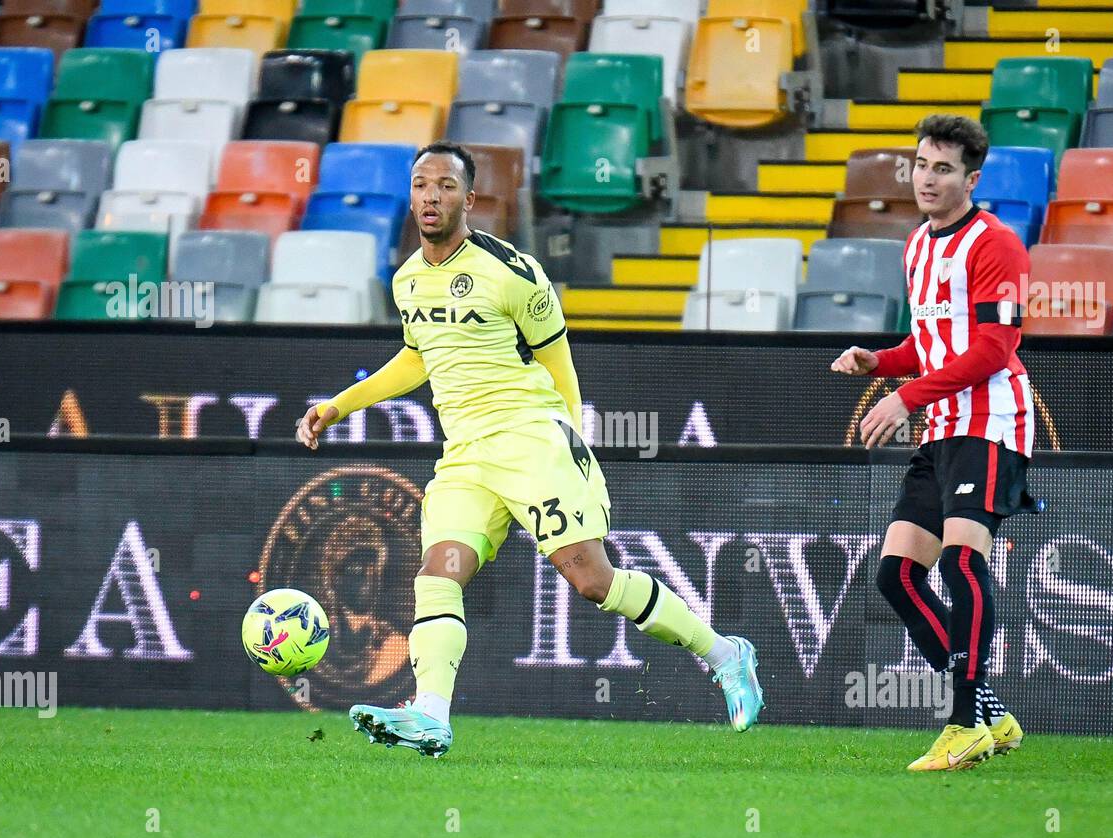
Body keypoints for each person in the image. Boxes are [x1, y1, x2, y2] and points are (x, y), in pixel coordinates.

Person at [296, 142, 763, 757]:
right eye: (420, 185)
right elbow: (419, 357)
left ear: (470, 197)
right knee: (439, 573)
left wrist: (569, 434)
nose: (430, 197)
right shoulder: (407, 279)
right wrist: (340, 404)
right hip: (464, 454)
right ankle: (432, 713)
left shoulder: (512, 271)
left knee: (592, 581)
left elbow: (558, 360)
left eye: (444, 185)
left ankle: (726, 655)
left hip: (530, 437)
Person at [831, 115, 1036, 771]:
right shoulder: (917, 245)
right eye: (922, 163)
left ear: (972, 179)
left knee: (962, 563)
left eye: (943, 168)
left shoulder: (997, 244)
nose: (927, 177)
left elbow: (993, 348)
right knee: (897, 575)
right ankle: (990, 714)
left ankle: (962, 722)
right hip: (944, 425)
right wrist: (883, 362)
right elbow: (934, 344)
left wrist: (906, 396)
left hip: (991, 421)